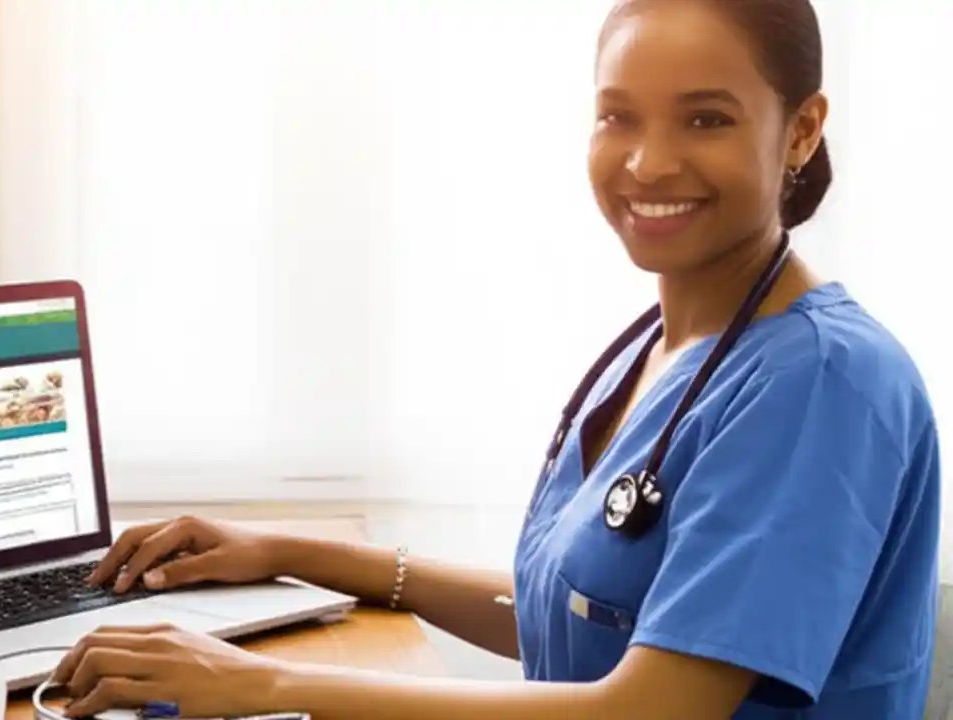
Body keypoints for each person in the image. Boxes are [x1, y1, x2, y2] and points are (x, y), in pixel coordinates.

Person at [51, 1, 941, 718]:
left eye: (706, 118)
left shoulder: (821, 382)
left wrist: (258, 686)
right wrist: (289, 550)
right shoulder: (664, 346)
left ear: (800, 130)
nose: (649, 161)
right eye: (616, 116)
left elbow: (654, 706)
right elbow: (577, 615)